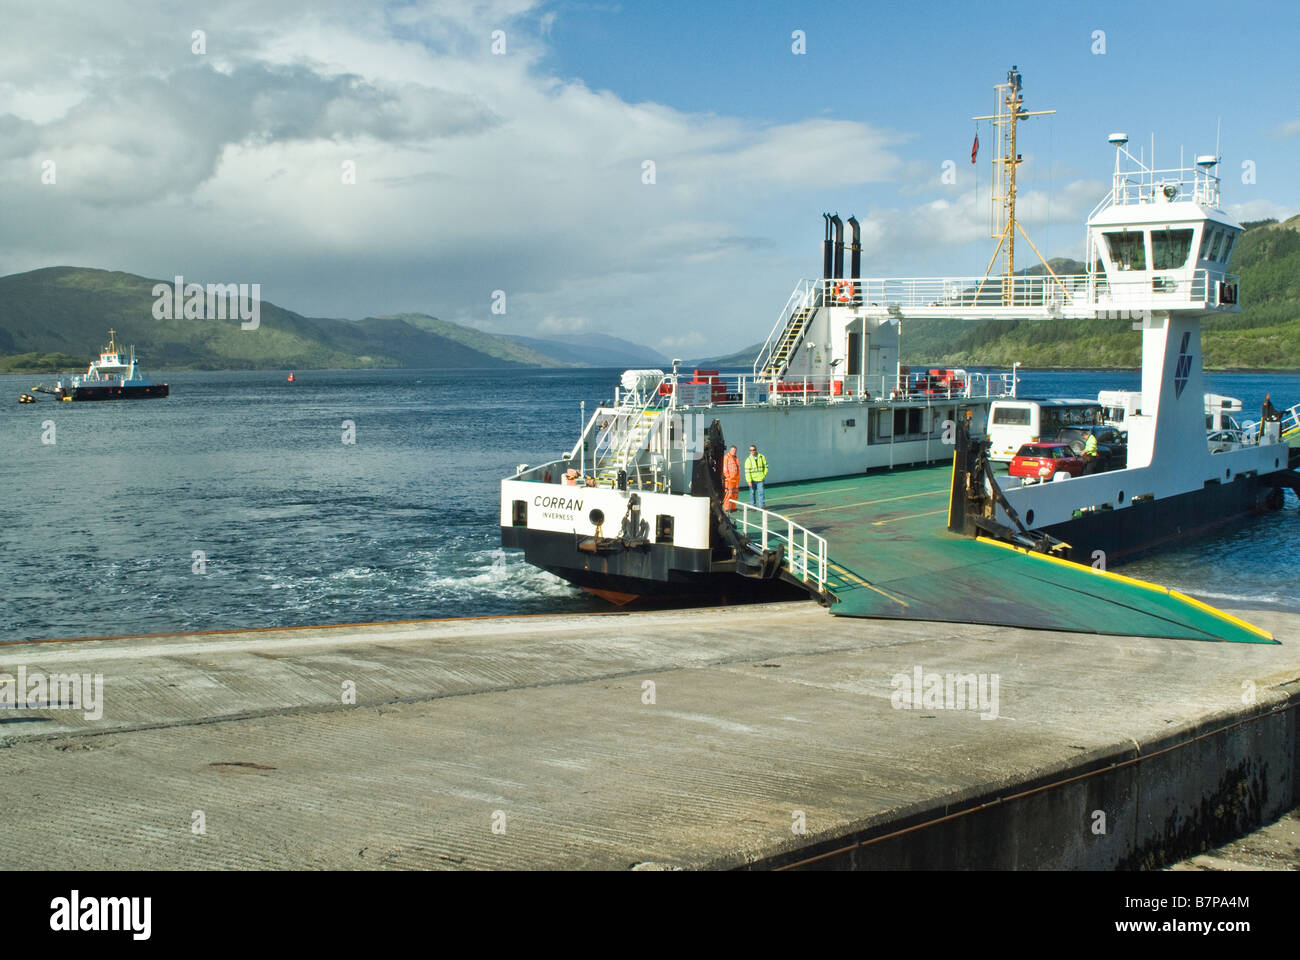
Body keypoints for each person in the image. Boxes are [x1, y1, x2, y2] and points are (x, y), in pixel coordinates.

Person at [721, 445, 741, 512]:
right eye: (733, 450)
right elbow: (725, 468)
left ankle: (733, 508)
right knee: (729, 494)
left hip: (736, 479)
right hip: (730, 480)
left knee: (735, 494)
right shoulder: (726, 457)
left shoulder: (736, 458)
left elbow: (737, 468)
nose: (734, 452)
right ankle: (726, 508)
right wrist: (728, 477)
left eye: (735, 451)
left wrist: (738, 478)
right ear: (730, 450)